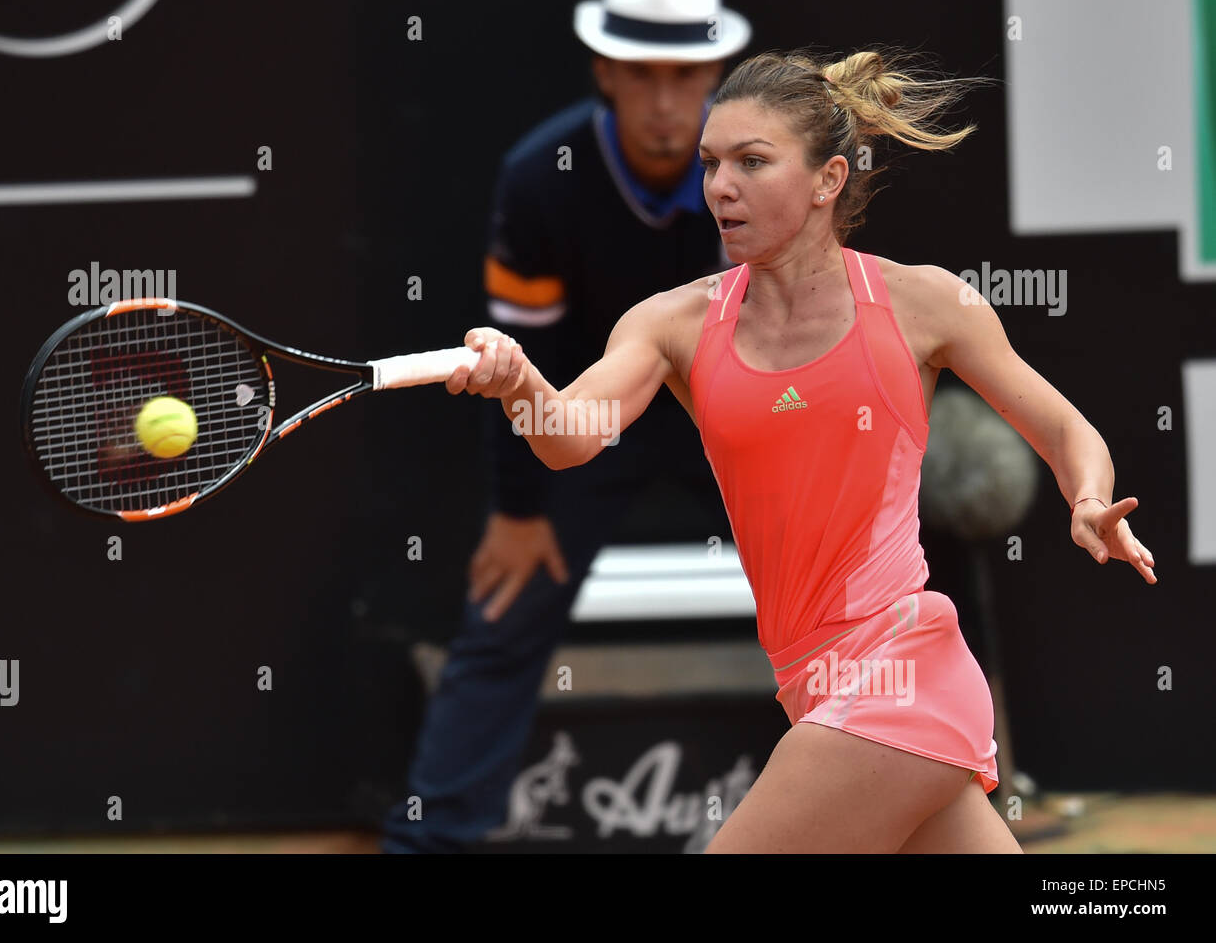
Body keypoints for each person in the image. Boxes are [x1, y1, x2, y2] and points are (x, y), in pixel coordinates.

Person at [446, 46, 1159, 853]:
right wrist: (520, 384)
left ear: (829, 180)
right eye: (712, 163)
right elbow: (568, 438)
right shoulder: (670, 324)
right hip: (811, 685)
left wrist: (1089, 499)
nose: (720, 186)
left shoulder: (925, 302)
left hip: (902, 677)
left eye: (752, 162)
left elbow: (1064, 429)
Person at [381, 0, 752, 853]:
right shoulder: (538, 178)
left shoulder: (763, 169)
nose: (665, 102)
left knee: (865, 597)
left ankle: (950, 796)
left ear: (715, 73)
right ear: (605, 73)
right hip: (586, 414)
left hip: (736, 417)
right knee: (507, 606)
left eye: (685, 75)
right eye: (642, 75)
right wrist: (518, 510)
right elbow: (522, 361)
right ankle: (430, 844)